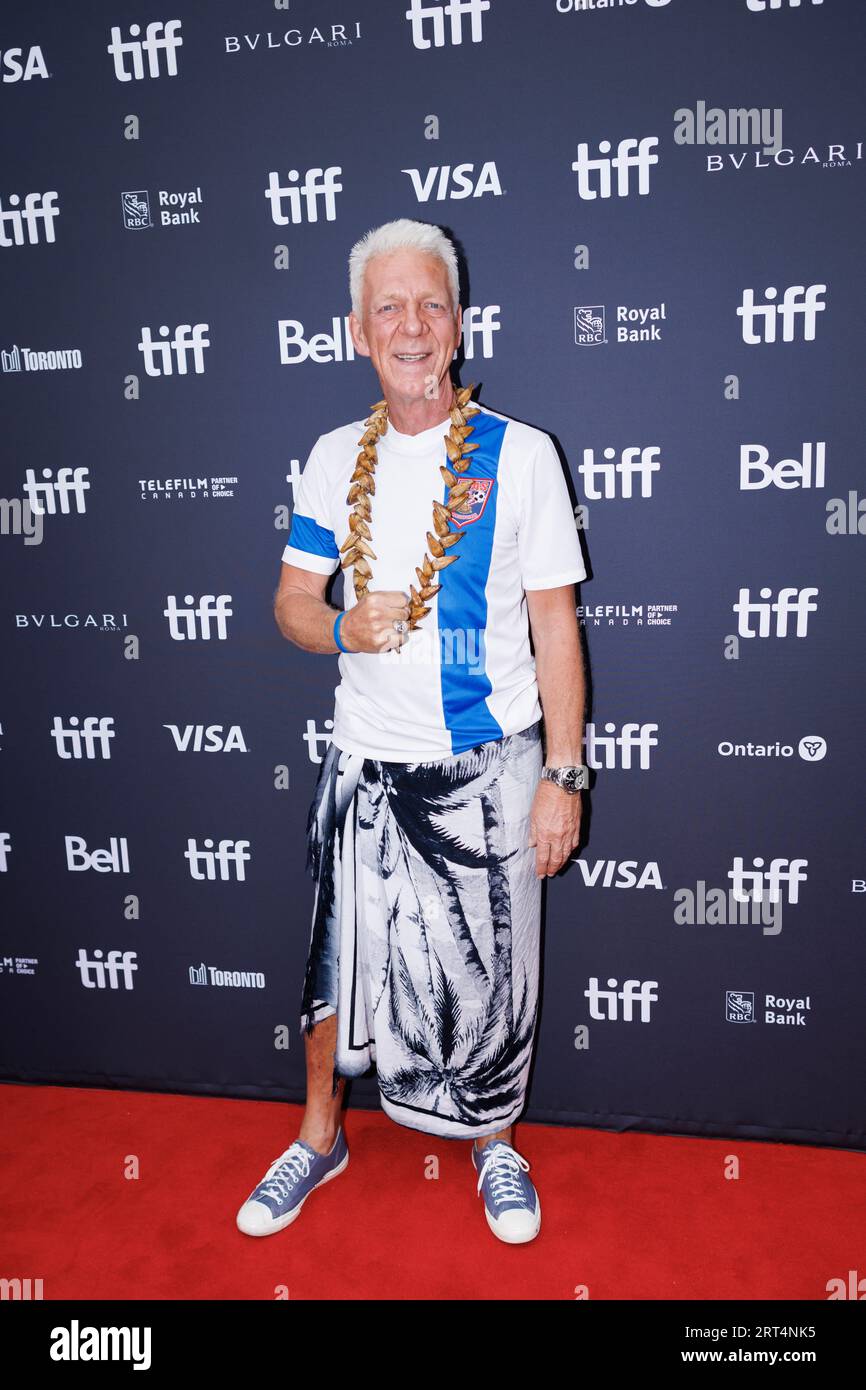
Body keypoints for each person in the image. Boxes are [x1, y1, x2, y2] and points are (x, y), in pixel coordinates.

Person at [237, 217, 588, 1245]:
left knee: (490, 971)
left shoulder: (521, 456)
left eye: (429, 303)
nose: (410, 324)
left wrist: (561, 775)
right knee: (334, 964)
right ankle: (319, 1133)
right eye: (387, 305)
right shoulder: (328, 457)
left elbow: (554, 624)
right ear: (356, 330)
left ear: (459, 323)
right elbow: (291, 603)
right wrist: (341, 621)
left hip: (487, 769)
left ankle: (493, 1146)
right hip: (361, 765)